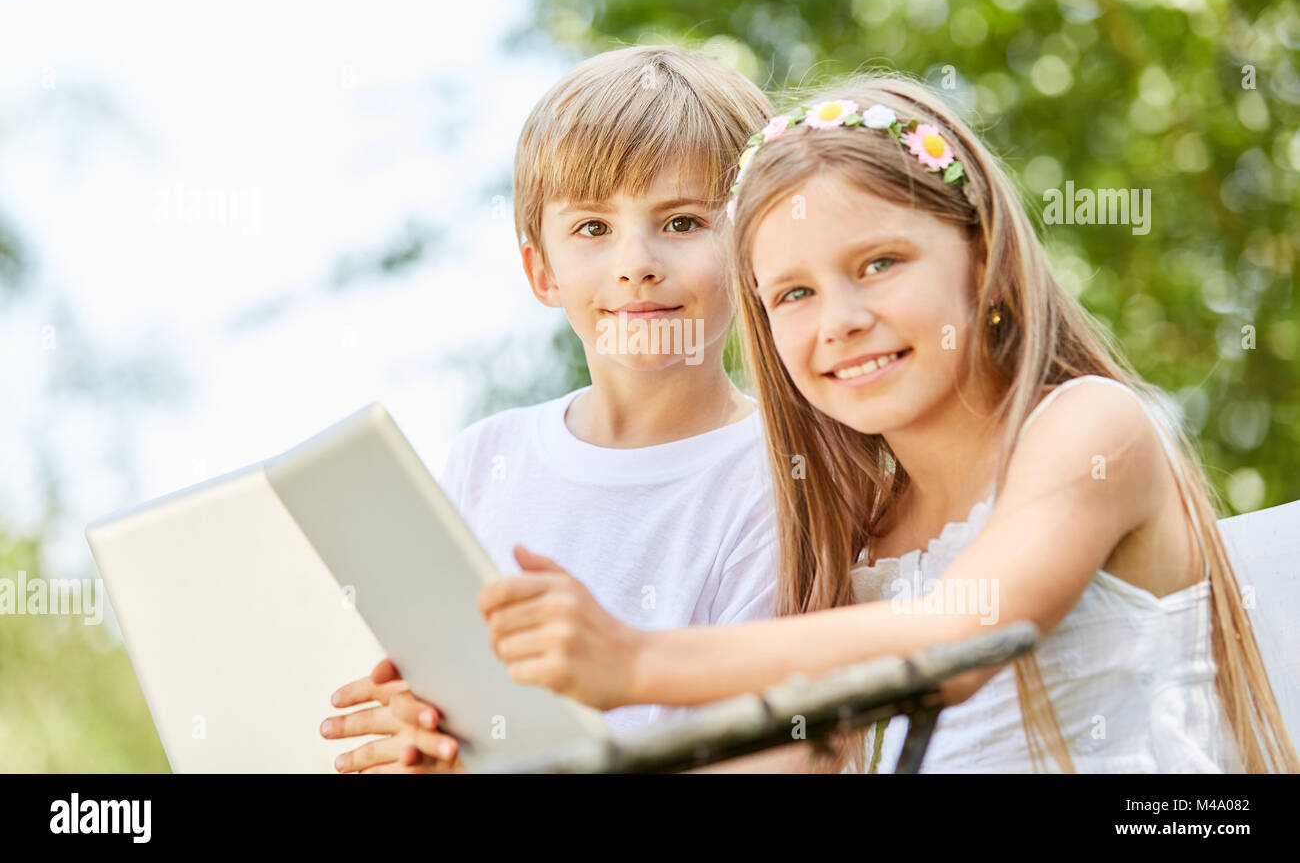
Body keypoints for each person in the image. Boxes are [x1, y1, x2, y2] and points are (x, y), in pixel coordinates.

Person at [398, 73, 1298, 773]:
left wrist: (633, 662)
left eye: (879, 263)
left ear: (983, 255)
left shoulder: (1091, 431)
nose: (840, 319)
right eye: (793, 292)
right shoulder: (848, 524)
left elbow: (962, 640)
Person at [320, 44, 783, 772]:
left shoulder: (777, 474)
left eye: (684, 221)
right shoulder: (486, 456)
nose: (637, 262)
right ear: (542, 269)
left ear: (759, 246)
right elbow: (451, 693)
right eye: (593, 229)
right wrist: (425, 732)